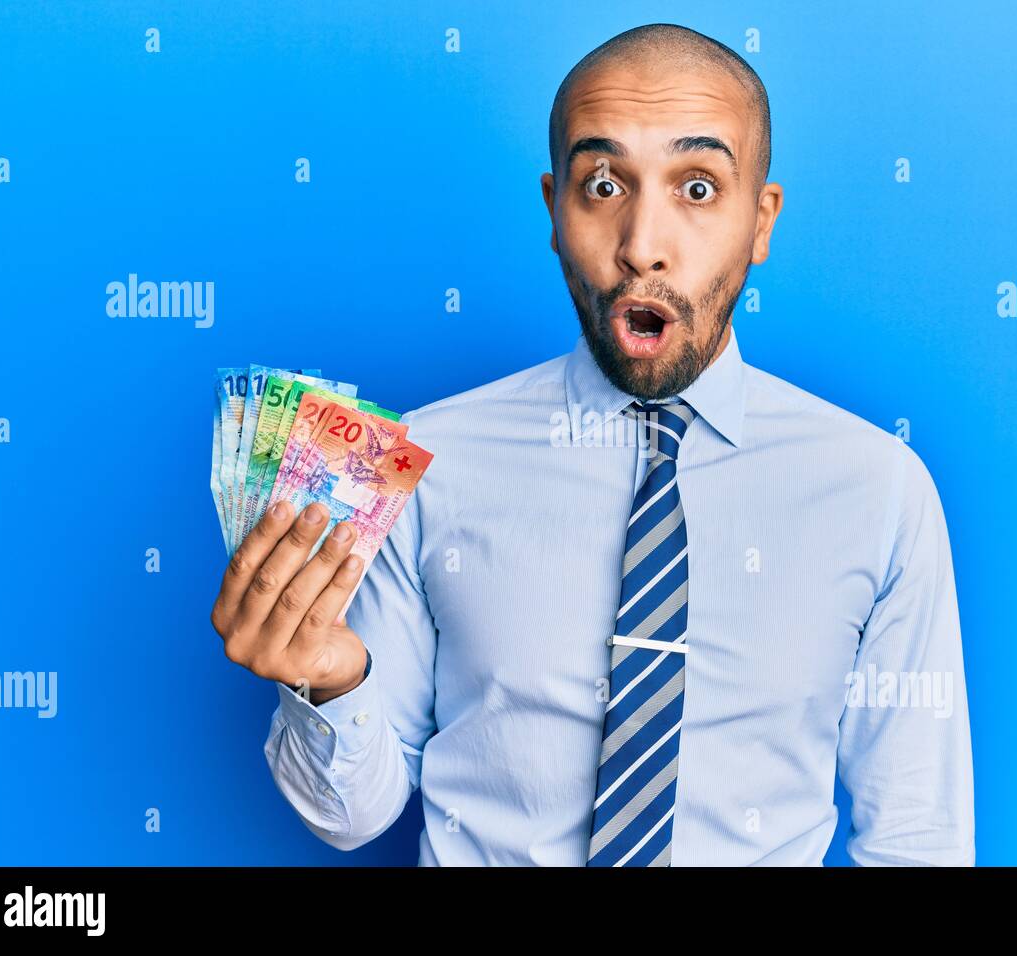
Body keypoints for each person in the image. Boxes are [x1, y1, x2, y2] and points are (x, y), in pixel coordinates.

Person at [210, 22, 974, 866]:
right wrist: (323, 679)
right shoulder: (423, 465)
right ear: (554, 209)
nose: (643, 244)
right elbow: (351, 816)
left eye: (697, 188)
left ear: (761, 222)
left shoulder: (879, 491)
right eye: (604, 184)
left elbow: (917, 839)